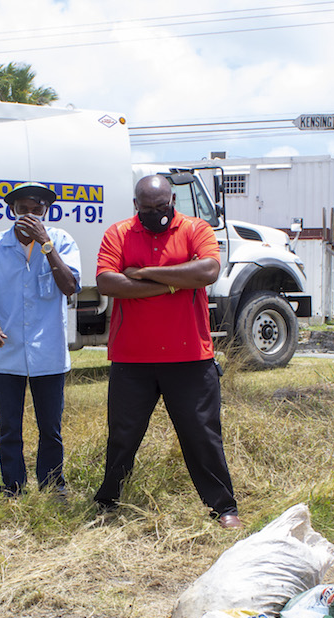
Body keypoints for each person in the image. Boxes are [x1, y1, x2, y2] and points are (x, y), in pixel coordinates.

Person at [92, 174, 242, 529]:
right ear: (136, 205)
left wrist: (144, 274)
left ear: (173, 201)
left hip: (190, 356)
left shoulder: (195, 229)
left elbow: (208, 270)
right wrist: (175, 283)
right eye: (148, 208)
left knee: (202, 435)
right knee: (123, 436)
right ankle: (108, 502)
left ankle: (223, 507)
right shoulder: (119, 233)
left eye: (162, 206)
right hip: (132, 358)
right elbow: (107, 282)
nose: (157, 213)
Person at [0, 182, 81, 497]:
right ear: (11, 211)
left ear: (46, 211)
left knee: (50, 429)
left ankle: (53, 486)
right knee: (9, 428)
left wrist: (46, 244)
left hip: (48, 352)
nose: (30, 215)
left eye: (36, 209)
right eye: (23, 209)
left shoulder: (62, 242)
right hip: (6, 351)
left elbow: (70, 287)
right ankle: (12, 487)